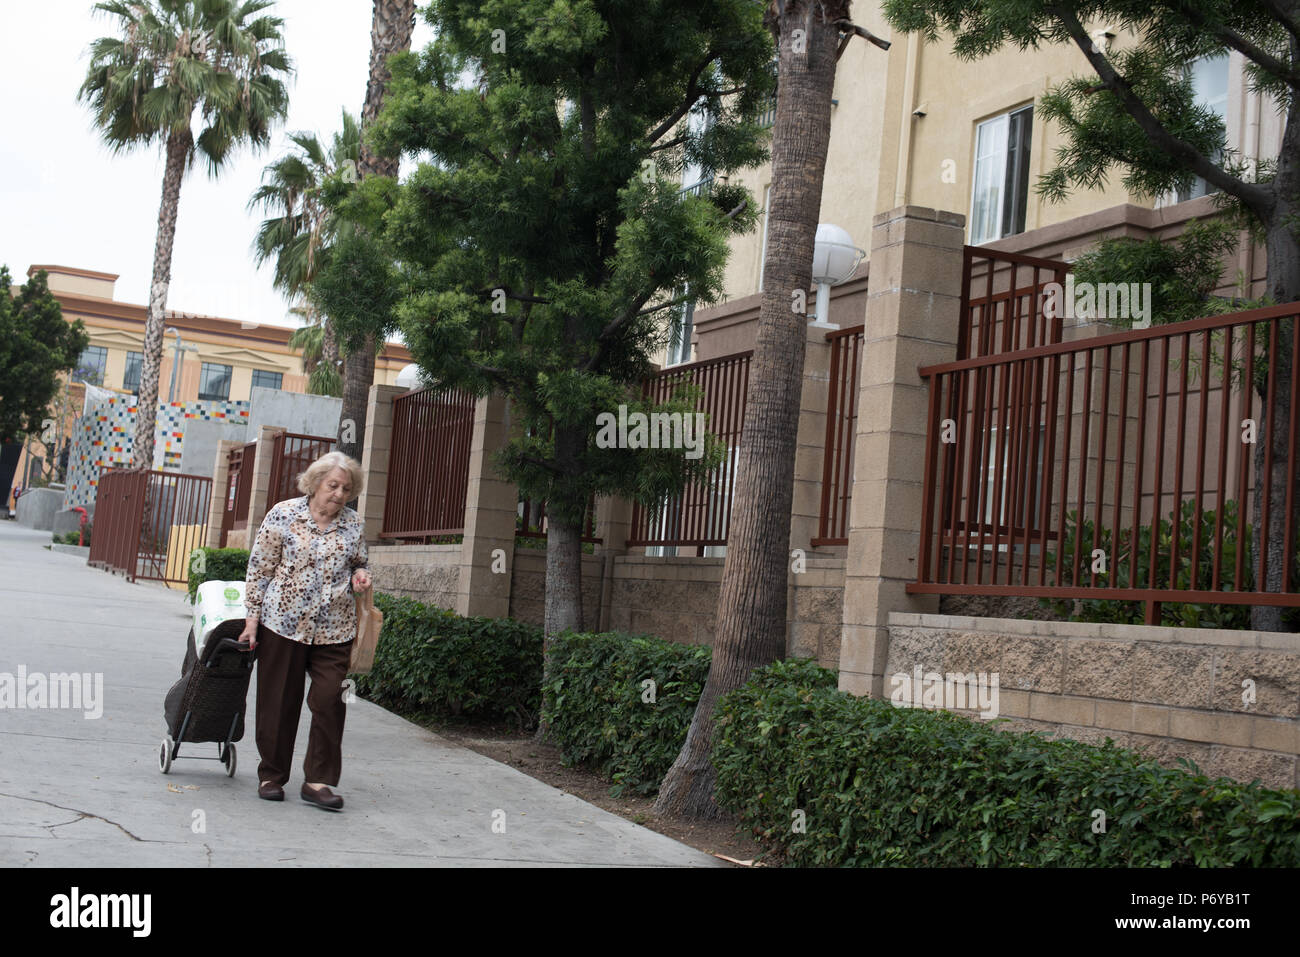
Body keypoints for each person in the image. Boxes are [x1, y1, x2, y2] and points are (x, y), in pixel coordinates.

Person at [239, 450, 371, 811]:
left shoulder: (353, 524)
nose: (340, 494)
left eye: (346, 488)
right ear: (315, 483)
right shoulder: (283, 514)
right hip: (283, 624)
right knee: (279, 701)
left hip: (335, 628)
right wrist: (252, 620)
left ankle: (318, 781)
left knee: (330, 700)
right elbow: (260, 569)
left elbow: (360, 562)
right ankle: (271, 775)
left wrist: (361, 576)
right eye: (333, 485)